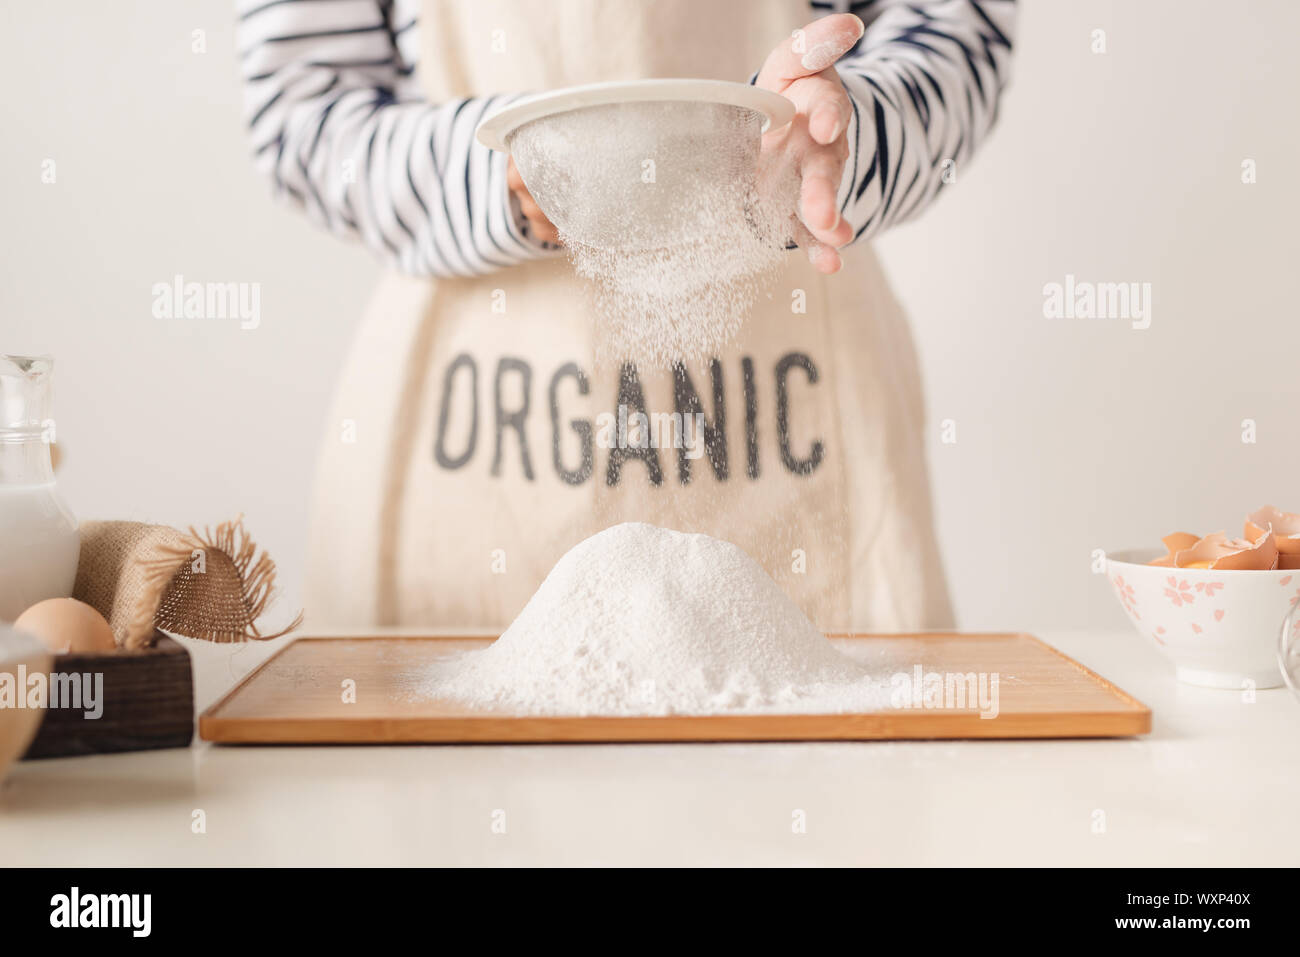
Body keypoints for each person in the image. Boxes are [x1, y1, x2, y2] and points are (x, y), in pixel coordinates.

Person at [238, 0, 1017, 632]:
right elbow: (303, 109)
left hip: (798, 440)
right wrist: (509, 170)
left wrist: (839, 137)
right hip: (470, 445)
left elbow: (958, 29)